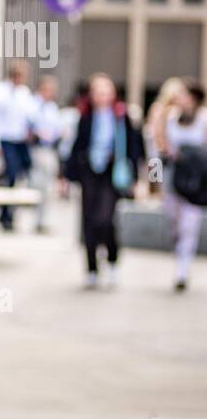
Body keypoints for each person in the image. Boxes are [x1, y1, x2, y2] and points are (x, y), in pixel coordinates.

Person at [63, 73, 145, 289]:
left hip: (112, 172)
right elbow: (77, 145)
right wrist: (66, 175)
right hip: (90, 171)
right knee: (89, 220)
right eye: (98, 92)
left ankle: (112, 260)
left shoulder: (121, 115)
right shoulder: (86, 117)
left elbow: (136, 147)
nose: (102, 96)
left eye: (106, 91)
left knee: (105, 220)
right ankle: (91, 268)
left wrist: (137, 178)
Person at [153, 79, 207, 291]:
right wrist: (154, 182)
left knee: (189, 225)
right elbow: (156, 151)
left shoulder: (203, 120)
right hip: (172, 179)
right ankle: (179, 251)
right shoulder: (168, 117)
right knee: (174, 222)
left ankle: (182, 270)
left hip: (195, 182)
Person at [0, 59, 36, 231]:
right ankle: (5, 214)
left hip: (19, 141)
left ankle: (9, 212)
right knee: (10, 175)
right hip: (5, 141)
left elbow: (29, 117)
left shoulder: (24, 93)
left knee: (20, 174)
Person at [28, 75, 62, 233]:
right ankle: (35, 219)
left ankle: (42, 219)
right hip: (36, 149)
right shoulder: (33, 104)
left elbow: (57, 129)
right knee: (36, 185)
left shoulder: (52, 108)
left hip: (50, 150)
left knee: (48, 187)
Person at [145, 77, 187, 198]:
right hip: (157, 152)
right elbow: (154, 130)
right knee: (155, 182)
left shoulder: (178, 111)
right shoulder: (159, 108)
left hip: (169, 153)